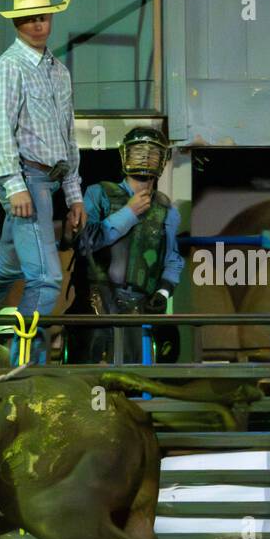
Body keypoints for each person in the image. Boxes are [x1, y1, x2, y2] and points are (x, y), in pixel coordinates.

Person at [0, 0, 85, 362]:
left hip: (49, 179)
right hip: (28, 177)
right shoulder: (7, 68)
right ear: (17, 23)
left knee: (9, 263)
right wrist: (13, 184)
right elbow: (0, 132)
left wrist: (73, 194)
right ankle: (26, 361)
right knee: (46, 278)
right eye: (29, 19)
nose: (38, 24)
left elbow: (68, 135)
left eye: (43, 17)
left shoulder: (58, 70)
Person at [69, 126, 182, 365]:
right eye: (139, 151)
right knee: (89, 378)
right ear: (124, 155)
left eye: (153, 152)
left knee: (136, 379)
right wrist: (128, 213)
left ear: (162, 159)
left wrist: (163, 292)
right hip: (96, 303)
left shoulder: (166, 209)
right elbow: (84, 244)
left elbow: (172, 258)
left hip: (140, 306)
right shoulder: (99, 193)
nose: (145, 157)